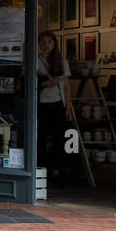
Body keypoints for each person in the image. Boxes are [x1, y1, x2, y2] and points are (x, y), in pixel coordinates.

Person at [37, 30, 73, 179]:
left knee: (59, 137)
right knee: (42, 136)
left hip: (58, 103)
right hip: (41, 103)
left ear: (54, 43)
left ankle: (57, 169)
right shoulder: (36, 60)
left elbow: (66, 85)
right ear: (39, 44)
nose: (47, 45)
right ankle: (42, 167)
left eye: (50, 41)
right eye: (44, 42)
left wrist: (68, 107)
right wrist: (44, 83)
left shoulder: (61, 60)